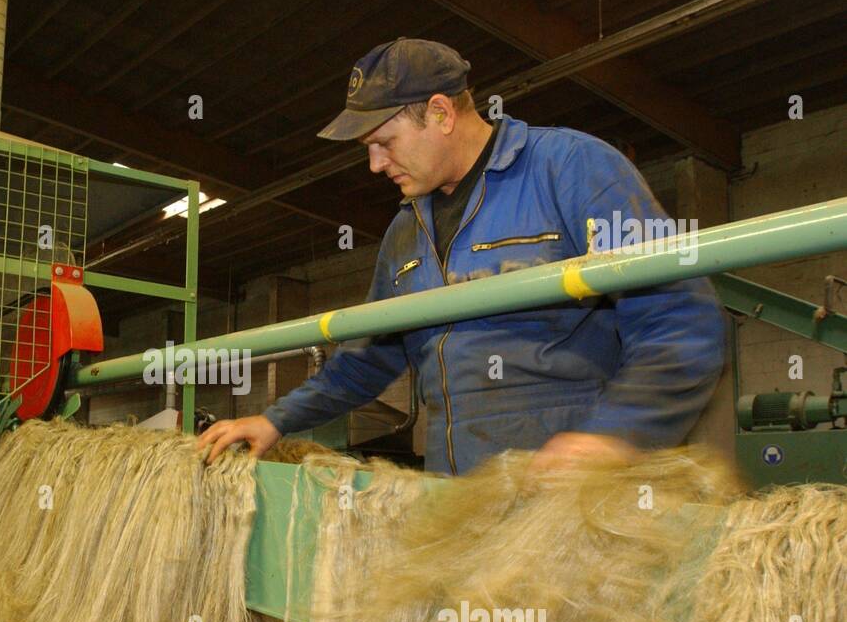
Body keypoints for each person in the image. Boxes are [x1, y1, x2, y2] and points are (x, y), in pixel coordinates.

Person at [198, 37, 726, 475]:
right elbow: (369, 359)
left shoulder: (570, 169)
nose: (375, 165)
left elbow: (681, 321)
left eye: (384, 141)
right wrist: (276, 419)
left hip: (570, 496)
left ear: (441, 113)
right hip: (457, 497)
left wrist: (612, 436)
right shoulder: (405, 233)